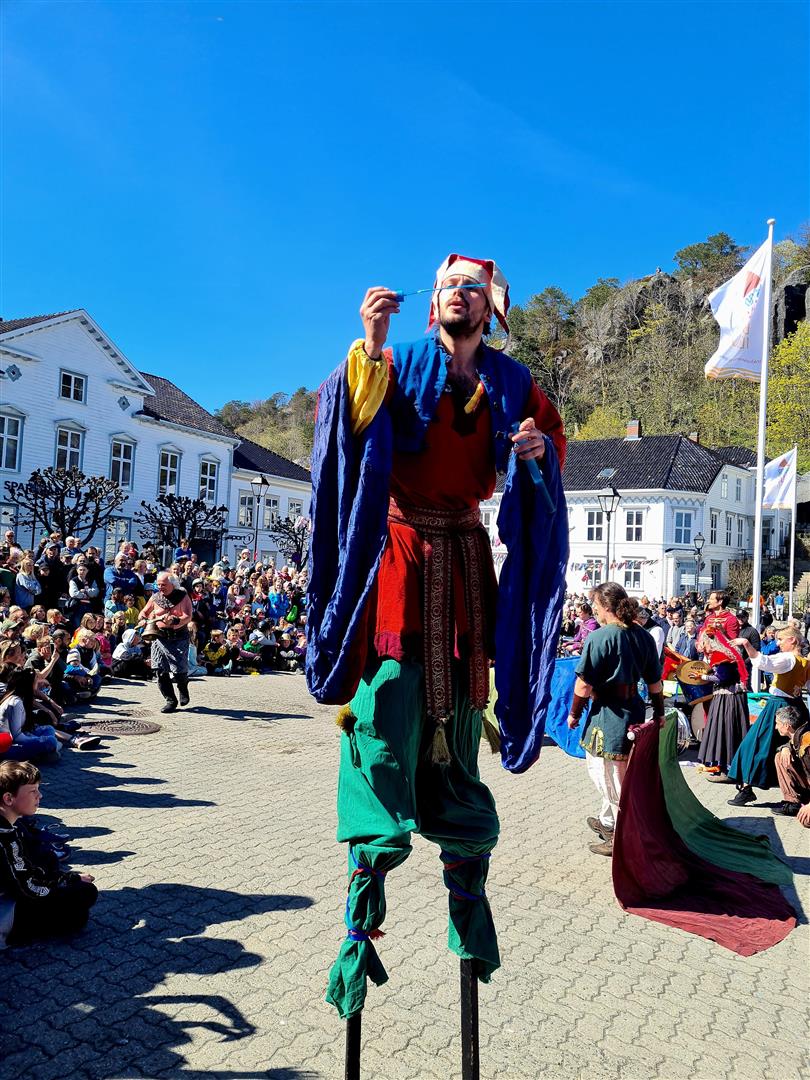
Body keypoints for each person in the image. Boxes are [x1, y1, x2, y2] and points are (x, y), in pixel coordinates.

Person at [306, 253, 568, 1021]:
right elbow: (347, 427)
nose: (461, 295)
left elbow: (550, 443)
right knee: (387, 708)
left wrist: (537, 454)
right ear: (434, 303)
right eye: (450, 285)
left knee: (457, 723)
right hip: (398, 553)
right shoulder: (395, 360)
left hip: (463, 556)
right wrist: (367, 346)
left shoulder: (514, 381)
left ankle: (467, 903)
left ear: (492, 309)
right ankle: (362, 922)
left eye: (474, 289)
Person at [567, 583, 663, 855]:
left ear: (605, 606)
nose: (594, 610)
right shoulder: (643, 635)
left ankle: (624, 836)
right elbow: (655, 683)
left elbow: (583, 685)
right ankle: (608, 821)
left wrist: (574, 714)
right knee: (616, 772)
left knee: (608, 775)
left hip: (608, 714)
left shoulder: (600, 637)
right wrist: (658, 713)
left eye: (595, 605)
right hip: (633, 710)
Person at [0, 761, 97, 947]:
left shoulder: (11, 825)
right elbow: (29, 888)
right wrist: (69, 880)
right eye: (33, 791)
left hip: (14, 890)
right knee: (84, 896)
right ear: (9, 798)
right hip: (6, 908)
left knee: (47, 858)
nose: (40, 795)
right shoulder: (5, 838)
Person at [727, 628, 809, 805]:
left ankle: (747, 789)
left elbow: (763, 662)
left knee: (753, 745)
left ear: (792, 640)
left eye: (781, 639)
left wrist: (746, 644)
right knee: (789, 750)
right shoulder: (805, 662)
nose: (778, 643)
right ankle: (795, 795)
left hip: (778, 706)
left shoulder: (788, 658)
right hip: (797, 707)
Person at [696, 597, 749, 782]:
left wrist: (703, 677)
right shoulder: (719, 654)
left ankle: (729, 768)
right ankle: (722, 766)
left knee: (726, 731)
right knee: (720, 730)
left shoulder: (722, 655)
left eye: (704, 643)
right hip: (725, 695)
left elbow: (722, 677)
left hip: (730, 698)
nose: (704, 647)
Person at [136, 572, 192, 712]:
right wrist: (142, 618)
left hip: (179, 637)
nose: (160, 587)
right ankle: (170, 701)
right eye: (159, 584)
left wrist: (175, 620)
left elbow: (188, 617)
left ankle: (183, 688)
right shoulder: (155, 598)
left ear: (173, 584)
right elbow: (143, 612)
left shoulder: (183, 596)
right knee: (160, 670)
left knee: (179, 671)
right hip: (159, 637)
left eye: (164, 584)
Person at [770, 705, 810, 819]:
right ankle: (793, 803)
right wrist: (785, 748)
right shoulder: (800, 734)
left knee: (805, 820)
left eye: (777, 723)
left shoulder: (807, 744)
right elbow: (792, 742)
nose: (776, 727)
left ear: (787, 726)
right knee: (780, 757)